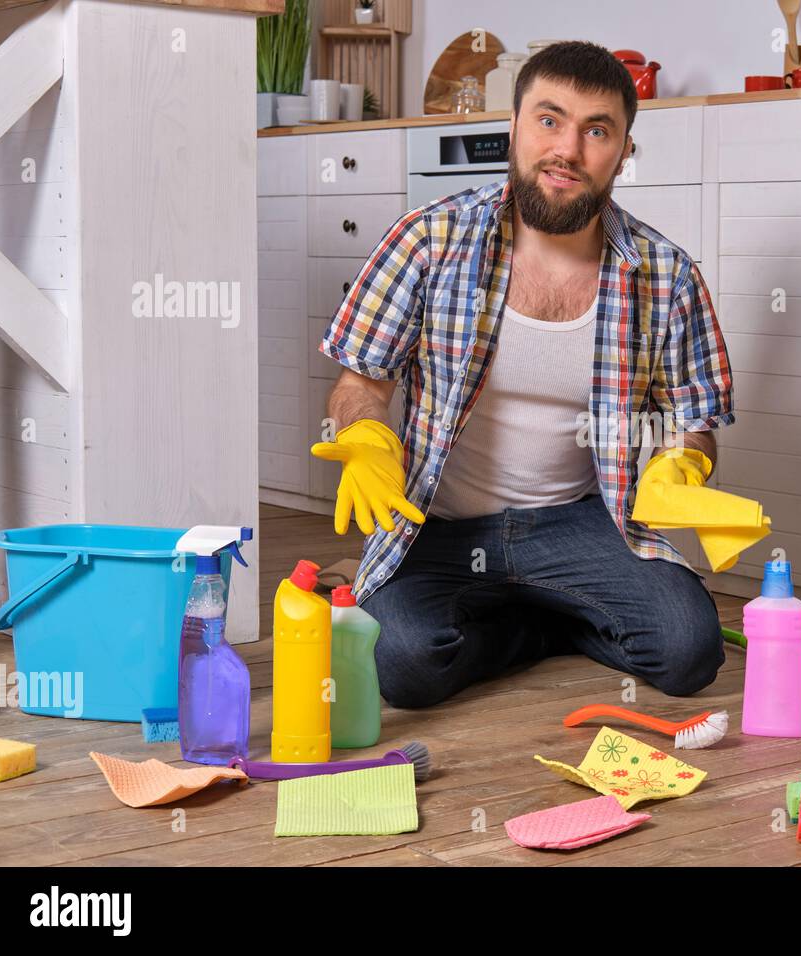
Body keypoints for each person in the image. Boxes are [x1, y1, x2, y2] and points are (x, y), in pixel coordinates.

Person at [313, 41, 734, 707]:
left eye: (597, 130)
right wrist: (364, 436)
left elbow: (696, 424)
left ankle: (540, 608)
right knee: (400, 664)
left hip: (583, 523)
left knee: (689, 652)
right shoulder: (428, 241)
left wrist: (685, 463)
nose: (568, 149)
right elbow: (359, 384)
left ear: (624, 150)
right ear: (513, 127)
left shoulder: (667, 275)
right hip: (442, 522)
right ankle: (545, 625)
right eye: (548, 120)